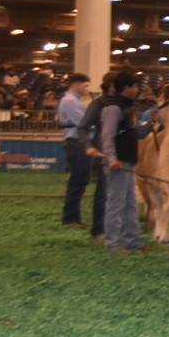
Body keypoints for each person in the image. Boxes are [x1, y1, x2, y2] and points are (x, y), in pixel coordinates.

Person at [90, 71, 151, 252]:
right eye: (135, 86)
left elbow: (139, 133)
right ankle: (113, 244)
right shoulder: (113, 108)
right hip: (118, 162)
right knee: (116, 203)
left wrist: (152, 121)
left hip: (128, 160)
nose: (137, 89)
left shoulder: (129, 108)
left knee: (130, 202)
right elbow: (107, 136)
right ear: (126, 88)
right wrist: (111, 159)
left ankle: (133, 241)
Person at [58, 73, 105, 238]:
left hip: (77, 143)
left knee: (79, 180)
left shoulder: (73, 101)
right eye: (85, 86)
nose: (87, 89)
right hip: (76, 143)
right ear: (76, 85)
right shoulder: (70, 101)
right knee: (78, 181)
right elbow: (83, 122)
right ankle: (70, 217)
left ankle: (72, 216)